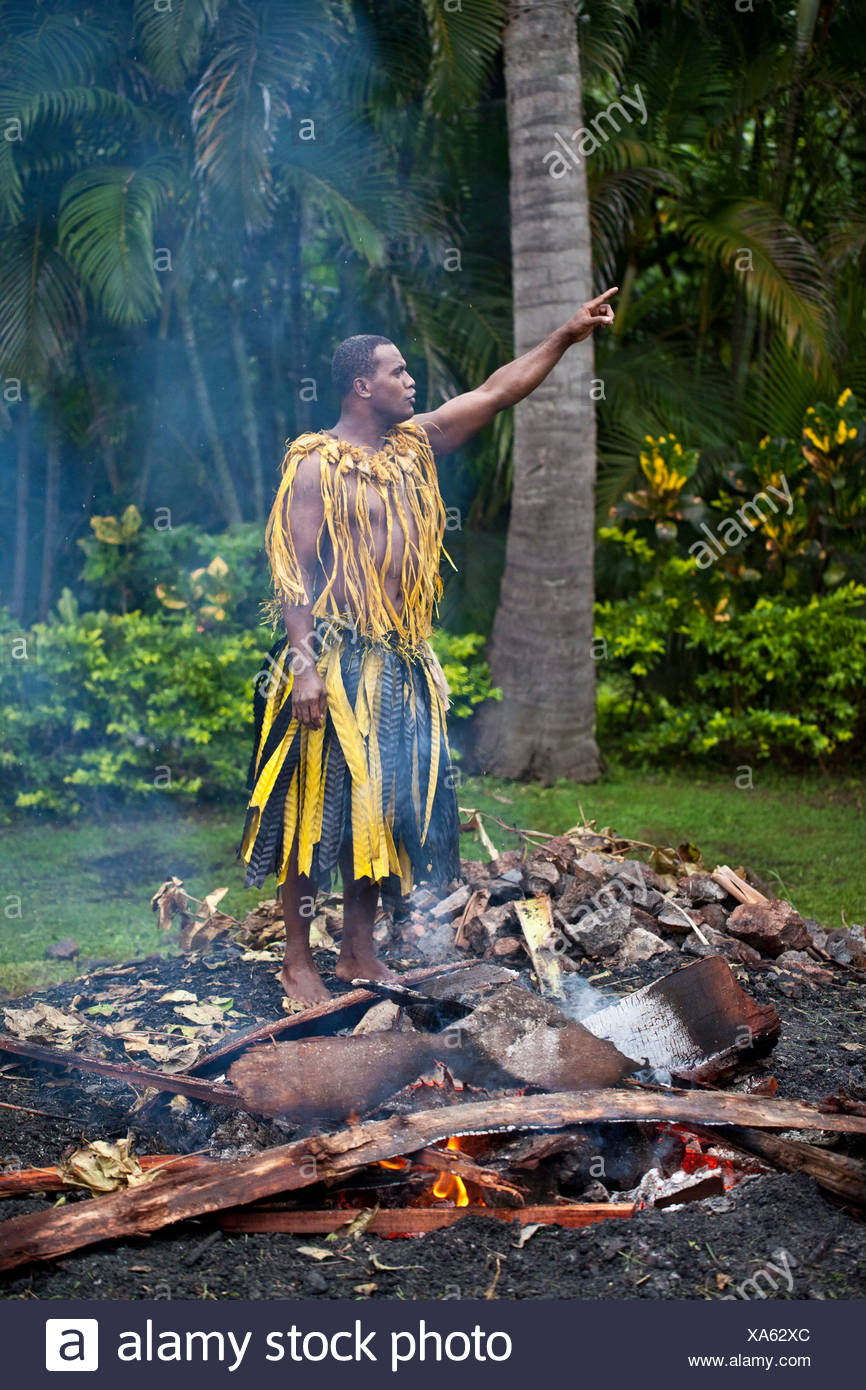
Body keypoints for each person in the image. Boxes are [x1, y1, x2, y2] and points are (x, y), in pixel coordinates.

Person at [240, 287, 617, 1002]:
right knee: (311, 814)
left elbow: (499, 390)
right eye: (398, 373)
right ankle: (297, 959)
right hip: (334, 658)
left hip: (402, 662)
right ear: (362, 385)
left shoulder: (418, 446)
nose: (412, 382)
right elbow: (295, 569)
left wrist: (566, 335)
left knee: (380, 814)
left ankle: (357, 953)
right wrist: (304, 665)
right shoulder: (317, 462)